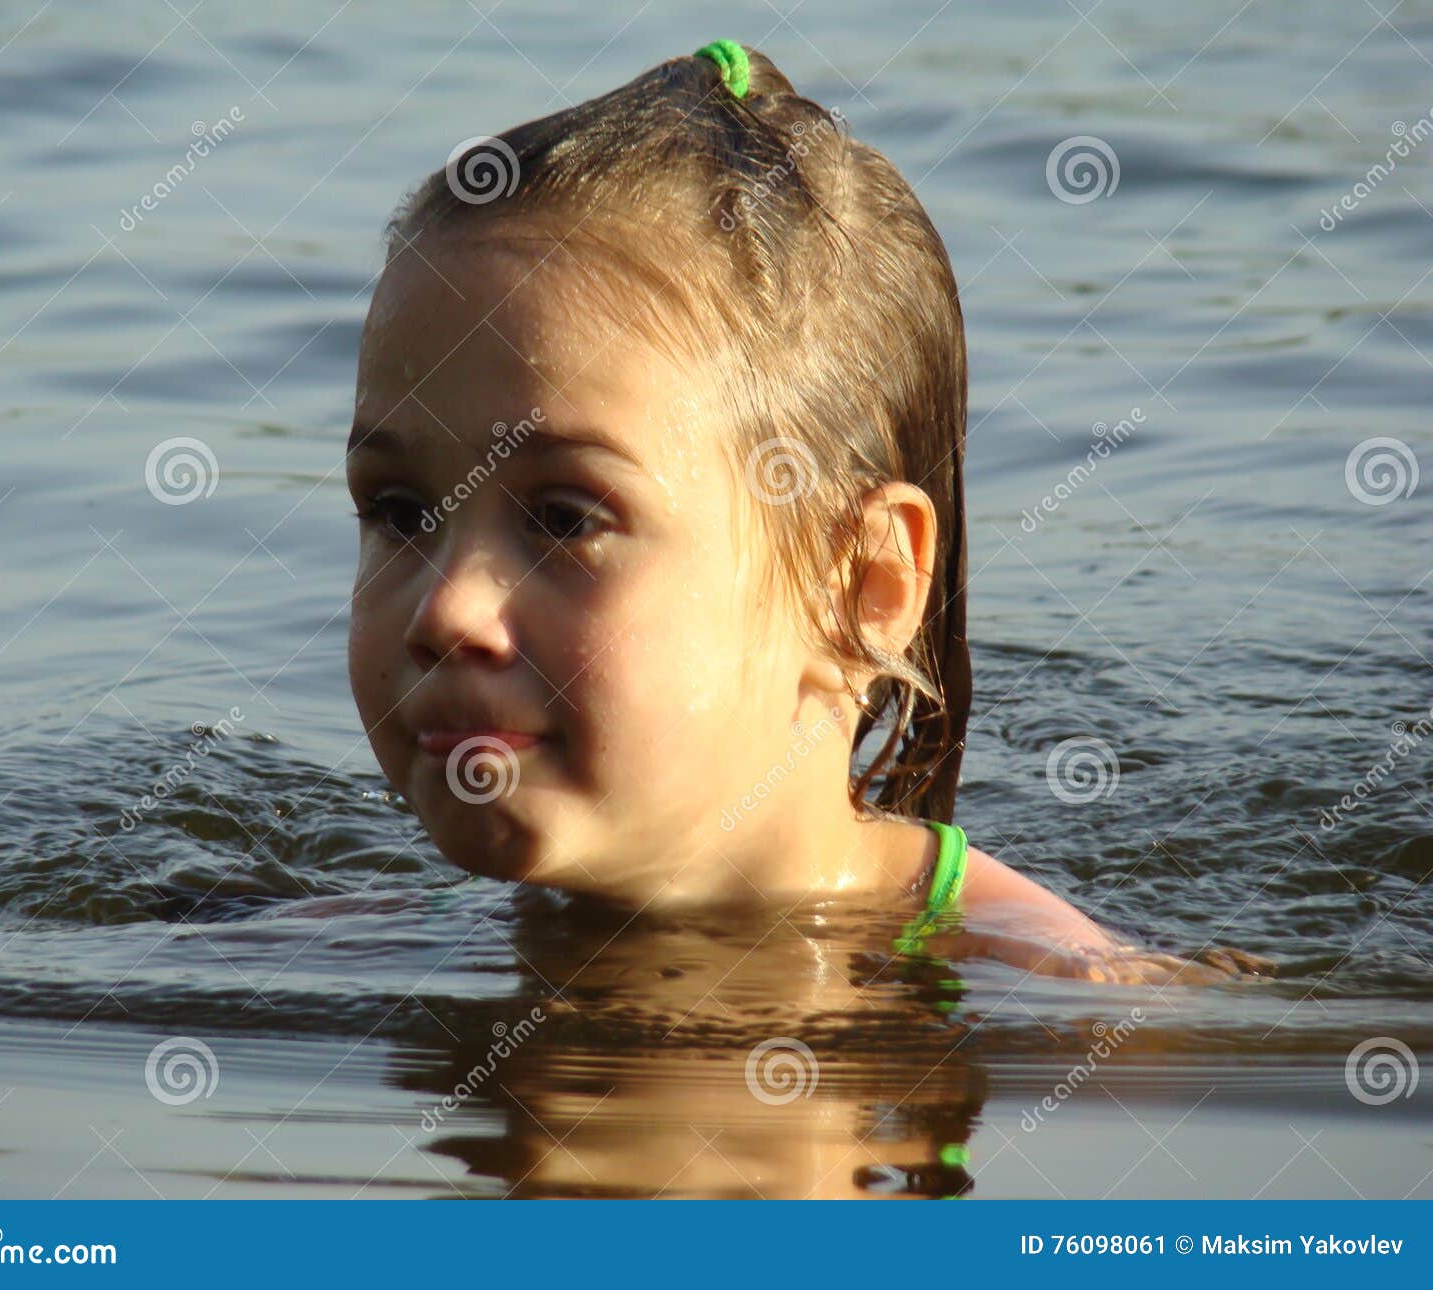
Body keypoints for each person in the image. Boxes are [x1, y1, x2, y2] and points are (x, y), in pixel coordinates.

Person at [342, 39, 1261, 984]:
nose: (445, 613)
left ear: (860, 588)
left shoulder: (1060, 998)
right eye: (402, 511)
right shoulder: (377, 939)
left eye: (566, 519)